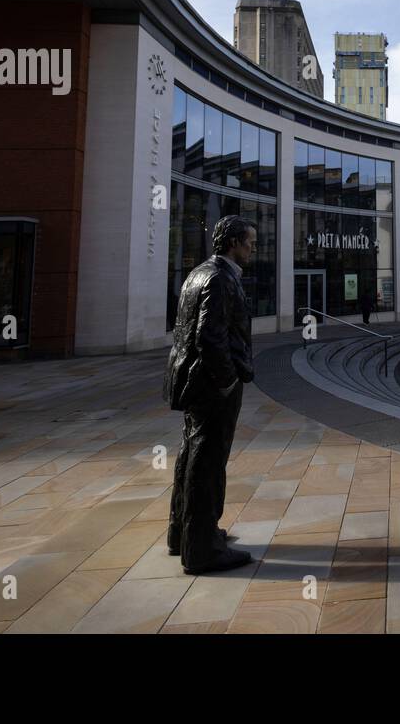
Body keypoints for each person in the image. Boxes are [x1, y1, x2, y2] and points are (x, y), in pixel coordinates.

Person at [163, 215, 256, 576]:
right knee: (207, 462)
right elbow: (209, 336)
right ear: (233, 241)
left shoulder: (199, 272)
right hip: (211, 385)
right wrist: (227, 381)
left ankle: (183, 534)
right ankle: (203, 549)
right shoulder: (220, 278)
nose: (252, 248)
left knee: (191, 456)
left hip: (193, 383)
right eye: (249, 241)